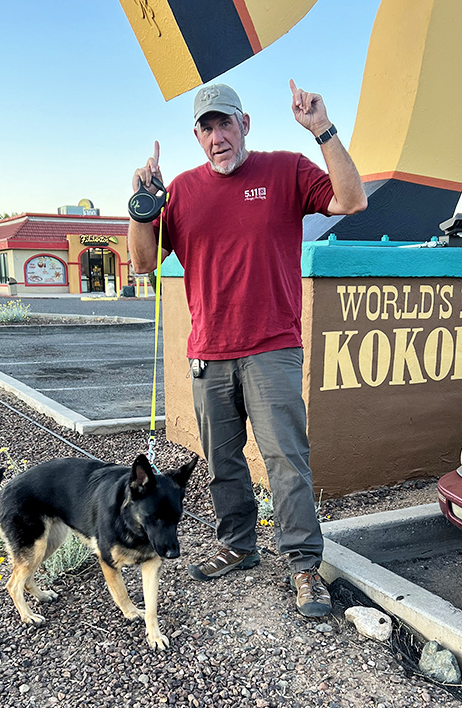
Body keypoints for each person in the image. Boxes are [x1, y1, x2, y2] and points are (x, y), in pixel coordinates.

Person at [128, 80, 366, 618]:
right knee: (223, 462)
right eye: (206, 128)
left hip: (273, 347)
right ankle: (238, 546)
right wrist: (142, 207)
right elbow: (142, 263)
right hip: (209, 351)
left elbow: (352, 200)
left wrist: (322, 129)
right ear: (196, 136)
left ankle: (304, 567)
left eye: (225, 124)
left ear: (245, 125)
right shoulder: (182, 192)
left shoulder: (286, 169)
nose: (217, 137)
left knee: (286, 461)